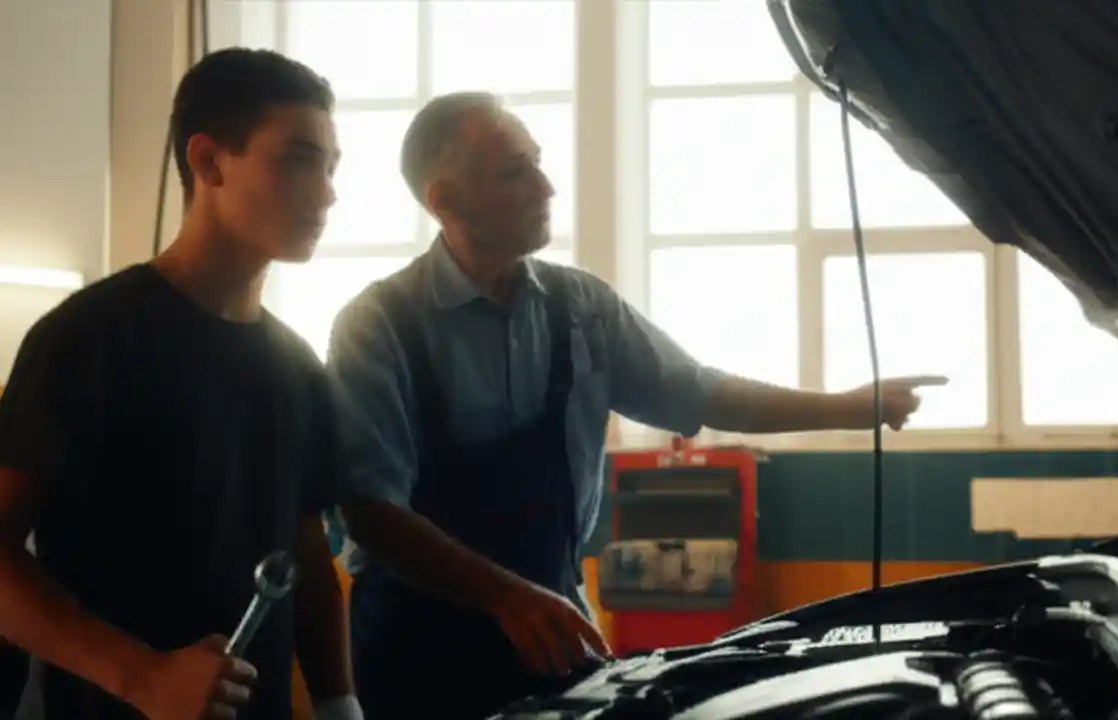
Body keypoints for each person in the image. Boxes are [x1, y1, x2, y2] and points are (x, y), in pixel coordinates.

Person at [326, 91, 946, 719]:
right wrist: (506, 598)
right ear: (444, 201)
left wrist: (846, 407)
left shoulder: (583, 309)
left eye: (538, 162)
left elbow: (704, 393)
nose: (545, 186)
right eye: (514, 171)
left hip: (553, 640)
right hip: (417, 659)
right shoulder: (376, 328)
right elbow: (371, 511)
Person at [0, 48, 362, 720]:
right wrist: (142, 677)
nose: (327, 192)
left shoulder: (297, 367)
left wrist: (340, 702)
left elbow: (304, 552)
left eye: (332, 166)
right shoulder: (90, 339)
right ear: (209, 161)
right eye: (299, 159)